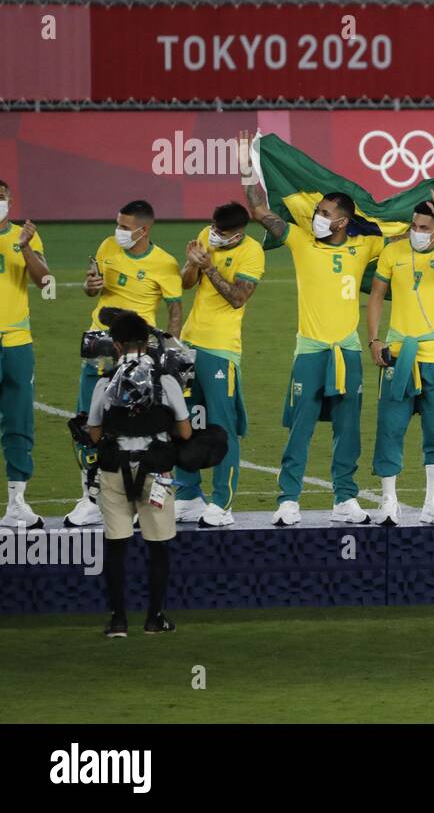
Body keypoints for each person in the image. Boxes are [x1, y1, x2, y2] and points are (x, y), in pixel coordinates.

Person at [244, 161, 387, 526]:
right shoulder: (299, 240)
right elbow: (259, 210)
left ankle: (345, 498)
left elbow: (402, 230)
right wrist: (249, 168)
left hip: (348, 351)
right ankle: (288, 500)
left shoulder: (365, 245)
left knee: (348, 430)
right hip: (309, 352)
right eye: (317, 211)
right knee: (300, 429)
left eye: (324, 213)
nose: (317, 218)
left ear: (342, 222)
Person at [66, 200, 182, 528]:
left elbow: (175, 307)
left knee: (133, 428)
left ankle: (134, 497)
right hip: (101, 346)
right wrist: (91, 287)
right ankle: (91, 497)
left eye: (125, 227)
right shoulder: (107, 246)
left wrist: (170, 349)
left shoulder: (165, 263)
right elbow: (94, 287)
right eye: (117, 224)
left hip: (136, 355)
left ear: (144, 230)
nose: (117, 232)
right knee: (88, 423)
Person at [86, 311, 192, 637]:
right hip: (156, 471)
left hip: (115, 469)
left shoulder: (105, 382)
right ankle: (154, 618)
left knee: (116, 546)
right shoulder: (166, 380)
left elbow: (93, 433)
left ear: (116, 345)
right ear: (147, 343)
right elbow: (185, 432)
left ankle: (118, 620)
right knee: (158, 547)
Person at [367, 192, 434, 526]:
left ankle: (432, 502)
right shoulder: (392, 252)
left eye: (425, 226)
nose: (417, 230)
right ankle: (388, 501)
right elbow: (377, 296)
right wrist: (374, 339)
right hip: (398, 355)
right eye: (415, 225)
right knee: (390, 429)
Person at [173, 197, 265, 527]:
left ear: (238, 234)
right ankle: (185, 496)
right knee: (184, 421)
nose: (214, 234)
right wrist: (192, 264)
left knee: (221, 428)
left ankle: (222, 503)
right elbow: (185, 284)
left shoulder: (252, 252)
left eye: (221, 232)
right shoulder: (207, 236)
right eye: (213, 227)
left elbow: (238, 298)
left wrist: (210, 266)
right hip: (189, 344)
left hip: (221, 350)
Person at [0, 181, 51, 529]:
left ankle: (17, 502)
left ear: (10, 200)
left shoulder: (26, 237)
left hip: (17, 343)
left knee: (19, 422)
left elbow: (46, 285)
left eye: (0, 197)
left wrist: (26, 249)